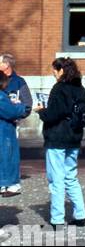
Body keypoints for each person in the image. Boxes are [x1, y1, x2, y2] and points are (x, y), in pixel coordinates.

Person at [35, 58, 85, 230]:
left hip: (57, 137)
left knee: (56, 179)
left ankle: (57, 218)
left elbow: (53, 114)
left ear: (60, 71)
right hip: (74, 137)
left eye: (54, 70)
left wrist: (41, 111)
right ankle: (80, 214)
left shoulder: (59, 88)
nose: (53, 73)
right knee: (71, 176)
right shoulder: (80, 89)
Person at [0, 52, 31, 197]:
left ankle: (12, 183)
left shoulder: (19, 82)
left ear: (6, 65)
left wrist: (18, 115)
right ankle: (4, 182)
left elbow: (28, 104)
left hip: (12, 123)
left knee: (10, 152)